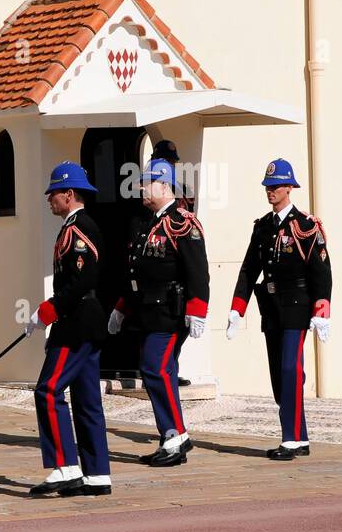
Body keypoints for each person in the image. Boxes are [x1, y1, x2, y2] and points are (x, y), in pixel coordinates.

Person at [227, 158, 332, 461]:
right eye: (268, 187)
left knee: (290, 370)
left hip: (297, 308)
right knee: (279, 377)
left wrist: (321, 309)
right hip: (271, 309)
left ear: (289, 187)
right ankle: (300, 437)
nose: (270, 191)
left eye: (275, 186)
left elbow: (321, 271)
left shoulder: (306, 226)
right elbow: (249, 269)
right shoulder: (262, 227)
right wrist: (237, 308)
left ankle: (289, 439)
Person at [108, 158, 209, 467]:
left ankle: (174, 434)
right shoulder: (148, 224)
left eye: (147, 183)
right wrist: (121, 309)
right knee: (158, 371)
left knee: (154, 369)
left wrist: (197, 309)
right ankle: (172, 435)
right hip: (148, 312)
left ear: (164, 186)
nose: (141, 188)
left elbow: (197, 271)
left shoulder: (182, 222)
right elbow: (138, 273)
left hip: (169, 312)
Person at [24, 162, 111, 496]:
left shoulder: (79, 229)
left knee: (48, 389)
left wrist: (48, 310)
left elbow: (83, 280)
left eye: (54, 194)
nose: (49, 200)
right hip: (83, 321)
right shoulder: (74, 227)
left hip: (77, 323)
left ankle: (66, 466)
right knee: (87, 400)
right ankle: (98, 473)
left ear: (69, 194)